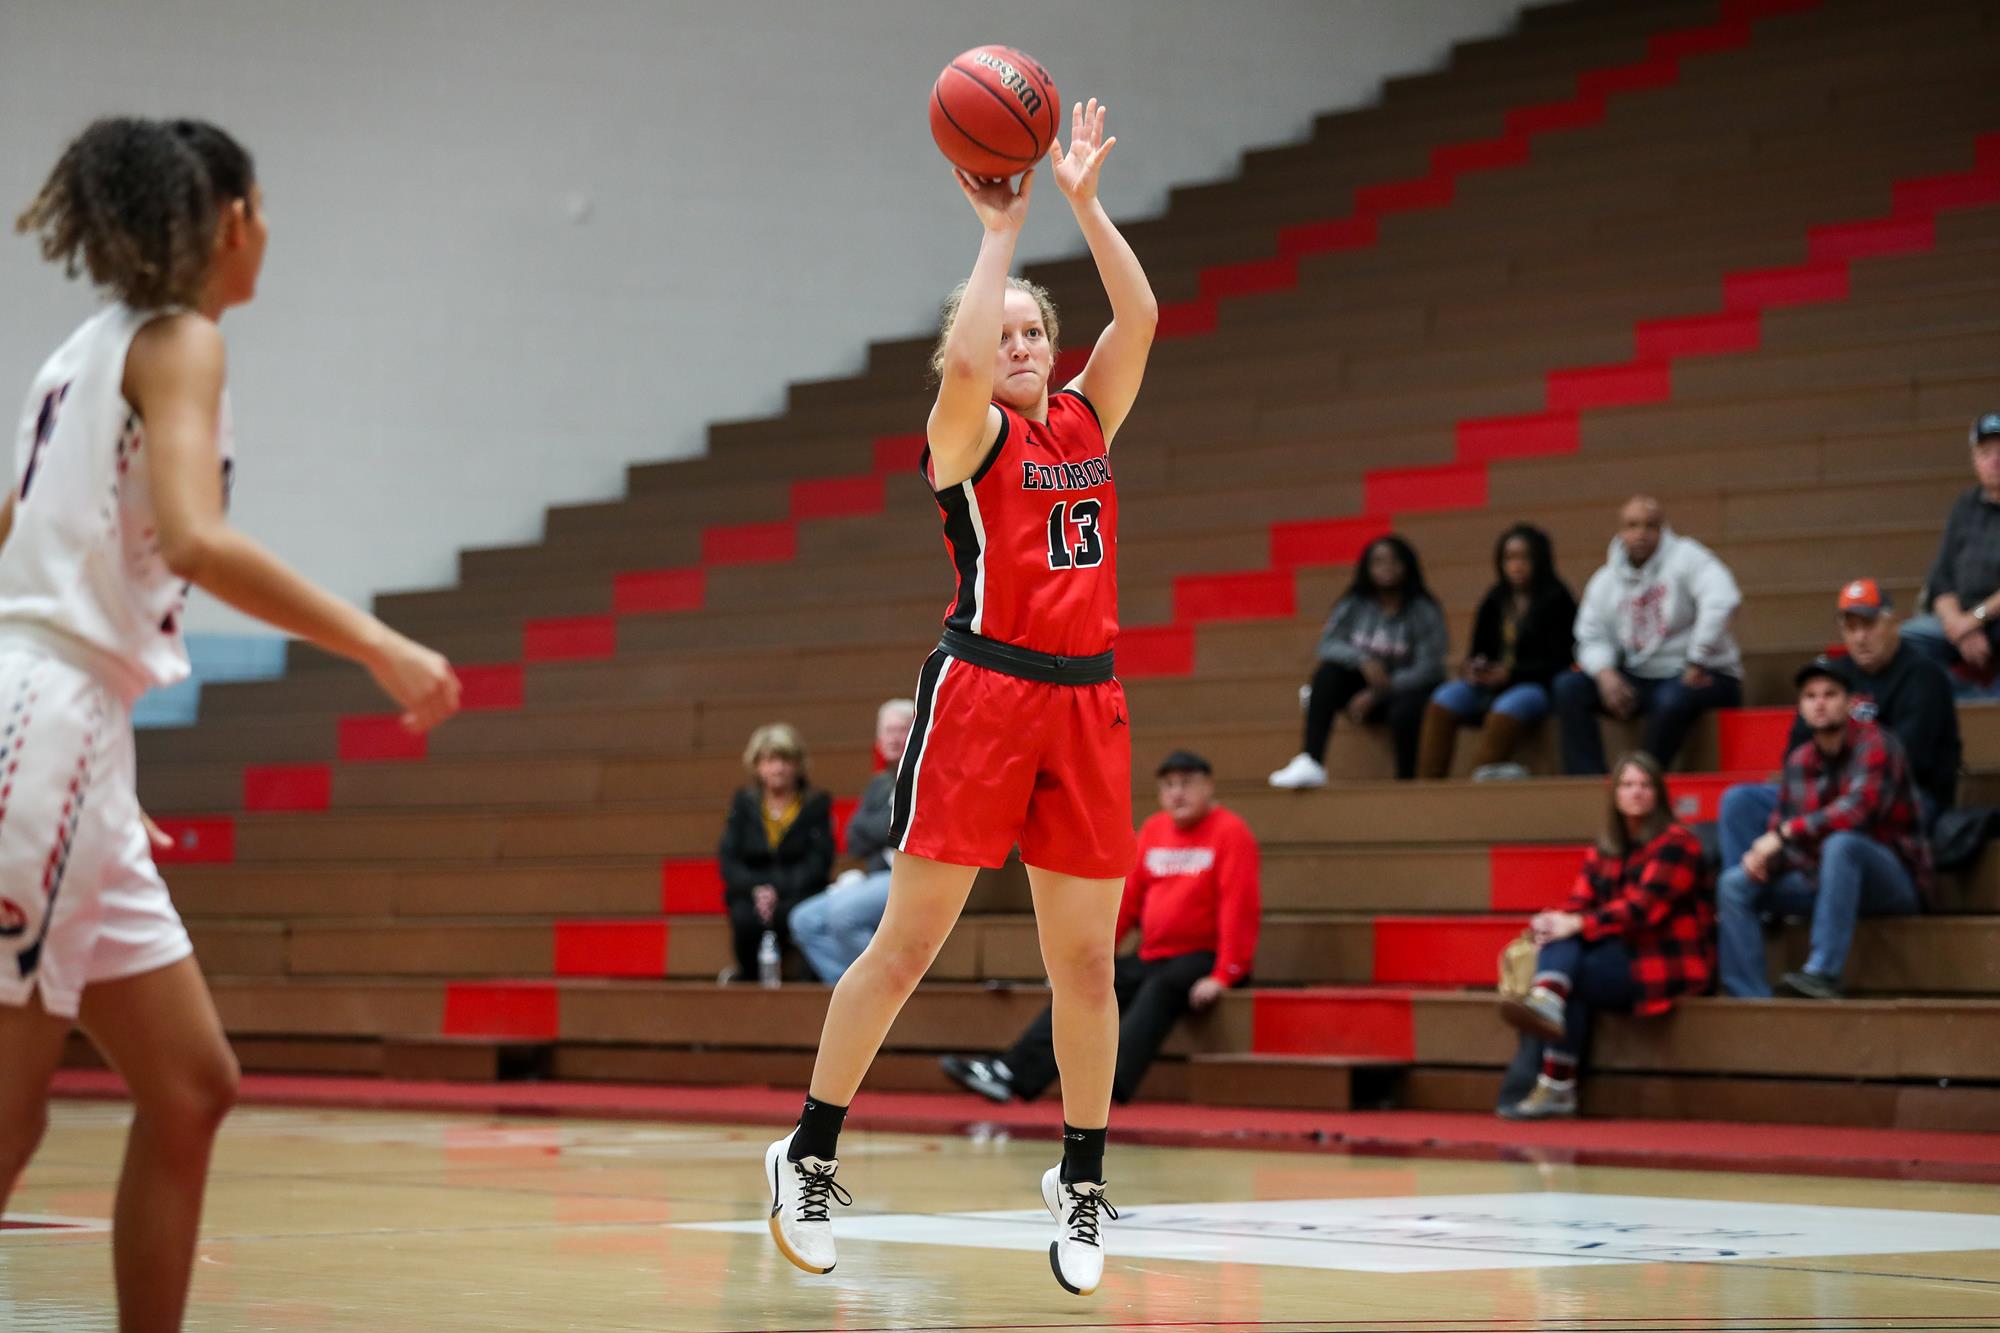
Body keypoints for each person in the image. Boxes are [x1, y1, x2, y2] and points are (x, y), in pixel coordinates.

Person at [0, 118, 461, 1330]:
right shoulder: (180, 341)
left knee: (193, 1083)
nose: (271, 229)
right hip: (45, 719)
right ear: (230, 218)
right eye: (263, 207)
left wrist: (79, 770)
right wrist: (377, 640)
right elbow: (197, 539)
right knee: (7, 1114)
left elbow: (15, 536)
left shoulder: (77, 355)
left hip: (67, 731)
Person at [766, 99, 1157, 1297]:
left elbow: (1137, 315)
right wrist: (998, 235)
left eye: (1040, 328)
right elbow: (967, 362)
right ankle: (808, 1151)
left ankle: (1081, 1181)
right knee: (910, 941)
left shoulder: (1090, 417)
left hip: (1085, 708)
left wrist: (1084, 211)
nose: (1028, 343)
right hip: (985, 697)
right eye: (1011, 331)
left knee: (1085, 968)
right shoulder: (966, 435)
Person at [940, 749, 1259, 1106]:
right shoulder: (1154, 829)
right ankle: (1010, 1073)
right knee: (1088, 982)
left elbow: (1239, 906)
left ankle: (1104, 1089)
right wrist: (1098, 955)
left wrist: (1224, 973)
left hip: (1203, 957)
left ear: (1208, 786)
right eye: (1169, 785)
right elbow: (1128, 902)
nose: (1177, 793)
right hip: (1154, 954)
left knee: (1162, 987)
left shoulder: (1231, 832)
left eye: (1186, 784)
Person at [1497, 753, 1713, 1120]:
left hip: (1661, 960)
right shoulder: (1605, 847)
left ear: (1659, 793)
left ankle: (1555, 1069)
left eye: (1645, 785)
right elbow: (1580, 901)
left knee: (1571, 966)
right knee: (1561, 940)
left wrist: (1576, 924)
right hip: (1618, 951)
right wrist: (1553, 921)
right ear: (1614, 794)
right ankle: (1549, 1004)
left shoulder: (1679, 842)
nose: (1637, 793)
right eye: (1628, 785)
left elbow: (1644, 910)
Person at [1715, 659, 1935, 1000]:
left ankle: (1823, 973)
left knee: (1842, 844)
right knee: (1734, 884)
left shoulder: (1878, 744)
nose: (1820, 702)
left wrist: (1781, 835)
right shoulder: (1800, 759)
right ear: (1801, 708)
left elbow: (1857, 812)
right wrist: (1764, 864)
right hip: (1824, 881)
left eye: (1830, 694)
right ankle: (1752, 1000)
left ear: (1849, 703)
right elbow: (1786, 836)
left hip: (1893, 881)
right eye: (1810, 696)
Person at [1718, 580, 1959, 872]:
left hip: (1904, 799)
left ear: (1893, 624)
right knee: (1739, 801)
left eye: (1869, 625)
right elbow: (1797, 748)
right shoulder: (1833, 674)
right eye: (1851, 627)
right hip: (1830, 791)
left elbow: (1908, 762)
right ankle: (1750, 892)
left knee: (1841, 838)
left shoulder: (1924, 676)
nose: (1860, 637)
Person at [1555, 495, 1743, 774]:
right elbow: (1590, 637)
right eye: (1632, 525)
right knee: (1568, 687)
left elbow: (1722, 598)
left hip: (1703, 672)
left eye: (1650, 526)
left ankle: (1643, 781)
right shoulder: (1606, 579)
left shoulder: (1687, 556)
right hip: (1642, 676)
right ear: (1620, 531)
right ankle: (1590, 783)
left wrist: (1697, 658)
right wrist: (1605, 674)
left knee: (1672, 699)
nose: (1641, 534)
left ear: (1663, 528)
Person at [1267, 534, 1447, 787]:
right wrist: (1362, 659)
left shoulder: (1424, 609)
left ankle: (1406, 779)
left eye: (1394, 560)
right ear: (1367, 568)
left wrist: (1381, 691)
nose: (1387, 566)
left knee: (1407, 709)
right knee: (1327, 675)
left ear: (1407, 566)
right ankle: (1312, 761)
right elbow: (1327, 644)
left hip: (1404, 692)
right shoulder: (1354, 604)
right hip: (1359, 690)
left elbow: (1430, 668)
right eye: (1379, 561)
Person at [1416, 523, 1576, 780]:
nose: (1517, 565)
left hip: (1536, 685)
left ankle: (1475, 784)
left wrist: (1511, 674)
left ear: (1540, 560)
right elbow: (1478, 649)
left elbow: (1562, 661)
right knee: (1444, 699)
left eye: (1525, 557)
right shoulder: (1495, 598)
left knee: (1507, 707)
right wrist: (1474, 667)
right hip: (1489, 683)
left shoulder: (1557, 598)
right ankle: (1428, 784)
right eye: (1510, 558)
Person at [788, 699, 915, 984]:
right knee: (803, 919)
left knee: (843, 914)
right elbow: (854, 837)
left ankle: (886, 987)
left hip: (909, 879)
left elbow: (901, 830)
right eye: (887, 731)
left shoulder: (925, 776)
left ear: (916, 732)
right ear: (879, 739)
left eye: (901, 730)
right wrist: (884, 827)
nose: (893, 738)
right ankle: (847, 988)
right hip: (879, 875)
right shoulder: (880, 784)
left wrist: (882, 828)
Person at [718, 723, 835, 982]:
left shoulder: (815, 804)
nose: (778, 768)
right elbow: (729, 859)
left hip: (798, 891)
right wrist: (758, 889)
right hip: (753, 892)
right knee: (744, 916)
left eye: (786, 760)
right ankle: (746, 977)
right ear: (757, 766)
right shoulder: (744, 804)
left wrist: (776, 891)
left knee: (795, 914)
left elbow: (819, 861)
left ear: (798, 764)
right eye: (770, 760)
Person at [1901, 413, 2000, 697]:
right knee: (1903, 641)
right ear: (1975, 460)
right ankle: (1969, 698)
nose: (1995, 460)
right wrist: (1957, 623)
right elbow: (1941, 577)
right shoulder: (1965, 505)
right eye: (1986, 453)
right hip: (1961, 618)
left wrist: (1973, 620)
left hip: (1988, 618)